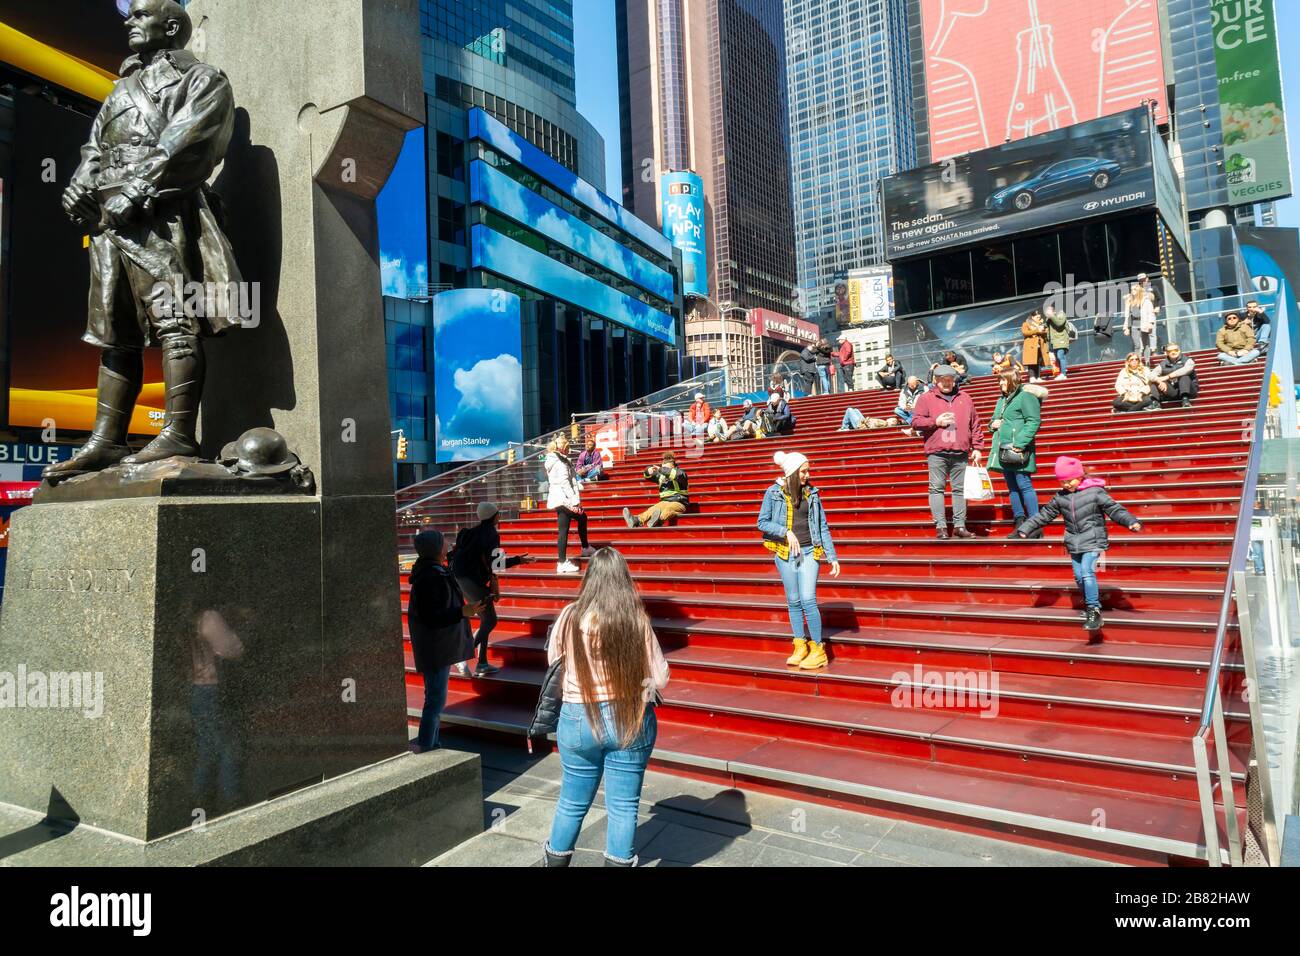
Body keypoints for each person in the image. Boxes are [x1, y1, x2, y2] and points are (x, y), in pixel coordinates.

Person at [542, 548, 670, 867]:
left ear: (589, 578)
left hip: (577, 716)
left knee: (571, 803)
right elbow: (661, 678)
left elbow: (553, 662)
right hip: (628, 717)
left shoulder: (570, 614)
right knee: (624, 807)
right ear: (624, 580)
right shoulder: (634, 618)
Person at [1014, 456, 1143, 637]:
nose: (1066, 484)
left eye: (1070, 480)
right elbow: (1044, 515)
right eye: (1062, 481)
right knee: (1078, 576)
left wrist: (1131, 522)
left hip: (1093, 539)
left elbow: (1114, 509)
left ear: (1080, 476)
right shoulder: (1060, 497)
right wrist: (1026, 528)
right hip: (1074, 541)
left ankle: (1093, 610)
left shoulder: (1095, 492)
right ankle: (1093, 601)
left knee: (1086, 572)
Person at [757, 451, 841, 671]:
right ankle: (800, 646)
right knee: (793, 601)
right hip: (785, 553)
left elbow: (822, 525)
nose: (807, 474)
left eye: (808, 470)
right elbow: (762, 522)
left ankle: (818, 650)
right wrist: (785, 532)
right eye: (803, 471)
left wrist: (831, 556)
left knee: (808, 599)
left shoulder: (812, 493)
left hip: (809, 551)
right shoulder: (773, 493)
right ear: (793, 472)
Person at [408, 529, 480, 752]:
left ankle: (432, 742)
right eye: (443, 541)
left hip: (438, 645)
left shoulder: (431, 572)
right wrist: (463, 612)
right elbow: (432, 617)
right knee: (436, 701)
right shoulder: (431, 577)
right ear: (436, 548)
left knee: (435, 698)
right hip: (437, 646)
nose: (448, 543)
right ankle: (428, 745)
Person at [451, 502, 532, 677]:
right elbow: (497, 564)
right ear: (494, 516)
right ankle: (462, 654)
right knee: (490, 620)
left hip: (461, 577)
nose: (500, 515)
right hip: (471, 580)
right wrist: (519, 559)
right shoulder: (490, 534)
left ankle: (482, 663)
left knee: (485, 619)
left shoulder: (472, 532)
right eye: (498, 513)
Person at [911, 365, 984, 539]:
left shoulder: (965, 398)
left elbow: (975, 423)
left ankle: (959, 526)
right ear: (936, 380)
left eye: (949, 380)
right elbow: (915, 421)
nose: (946, 383)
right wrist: (935, 421)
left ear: (954, 380)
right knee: (936, 489)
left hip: (960, 450)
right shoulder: (926, 398)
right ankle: (941, 527)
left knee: (959, 490)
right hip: (937, 451)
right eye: (942, 380)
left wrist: (978, 447)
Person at [987, 371, 1047, 533]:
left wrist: (1020, 443)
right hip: (1003, 449)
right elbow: (994, 420)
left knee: (1024, 485)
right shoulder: (1001, 400)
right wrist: (993, 424)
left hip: (1017, 449)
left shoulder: (1026, 396)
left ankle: (1035, 525)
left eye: (1003, 381)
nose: (1000, 384)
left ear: (1012, 381)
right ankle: (1019, 521)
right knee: (1012, 487)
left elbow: (1034, 420)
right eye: (999, 381)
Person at [545, 434, 593, 574]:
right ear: (563, 448)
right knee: (580, 518)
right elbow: (565, 483)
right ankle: (568, 558)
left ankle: (568, 558)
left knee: (565, 528)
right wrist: (575, 501)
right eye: (568, 448)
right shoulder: (560, 462)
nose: (569, 450)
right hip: (564, 499)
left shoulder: (555, 460)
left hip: (559, 498)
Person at [623, 451, 689, 528]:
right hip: (664, 502)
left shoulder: (680, 473)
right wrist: (648, 471)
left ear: (673, 467)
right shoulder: (662, 476)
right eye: (663, 467)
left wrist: (661, 469)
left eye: (666, 468)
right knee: (653, 509)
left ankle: (657, 521)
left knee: (669, 509)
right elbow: (647, 476)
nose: (664, 470)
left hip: (679, 503)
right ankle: (636, 520)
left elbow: (674, 474)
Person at [1151, 343, 1199, 408]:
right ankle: (1156, 403)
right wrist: (1159, 381)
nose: (1173, 352)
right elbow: (1151, 375)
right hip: (1174, 391)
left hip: (1189, 391)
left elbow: (1186, 370)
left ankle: (1185, 400)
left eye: (1175, 350)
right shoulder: (1163, 364)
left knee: (1184, 376)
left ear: (1179, 350)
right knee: (1154, 382)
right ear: (1167, 353)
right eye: (1170, 351)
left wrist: (1167, 377)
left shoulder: (1188, 360)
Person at [1123, 284, 1158, 365]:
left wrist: (1150, 323)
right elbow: (1127, 315)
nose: (1133, 291)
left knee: (1146, 344)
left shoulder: (1145, 300)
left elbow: (1151, 313)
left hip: (1143, 324)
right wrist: (1126, 328)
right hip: (1133, 325)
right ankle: (1138, 363)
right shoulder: (1129, 301)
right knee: (1137, 345)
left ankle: (1147, 362)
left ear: (1139, 290)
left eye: (1135, 289)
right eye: (1132, 290)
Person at [1045, 304, 1074, 380]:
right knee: (1058, 358)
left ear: (1053, 309)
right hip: (1054, 341)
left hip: (1061, 339)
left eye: (1048, 310)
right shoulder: (1050, 317)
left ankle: (1063, 373)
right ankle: (1062, 373)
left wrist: (1051, 316)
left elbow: (1059, 324)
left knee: (1060, 356)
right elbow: (1046, 327)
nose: (1047, 312)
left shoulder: (1060, 314)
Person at [1021, 310, 1051, 382]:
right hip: (1030, 346)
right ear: (1032, 317)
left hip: (1040, 346)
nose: (1038, 318)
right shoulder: (1026, 323)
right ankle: (1032, 377)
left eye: (1039, 317)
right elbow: (1025, 333)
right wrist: (1037, 331)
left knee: (1038, 361)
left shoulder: (1042, 324)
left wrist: (1043, 331)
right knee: (1031, 362)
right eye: (1037, 317)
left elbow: (1046, 333)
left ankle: (1038, 377)